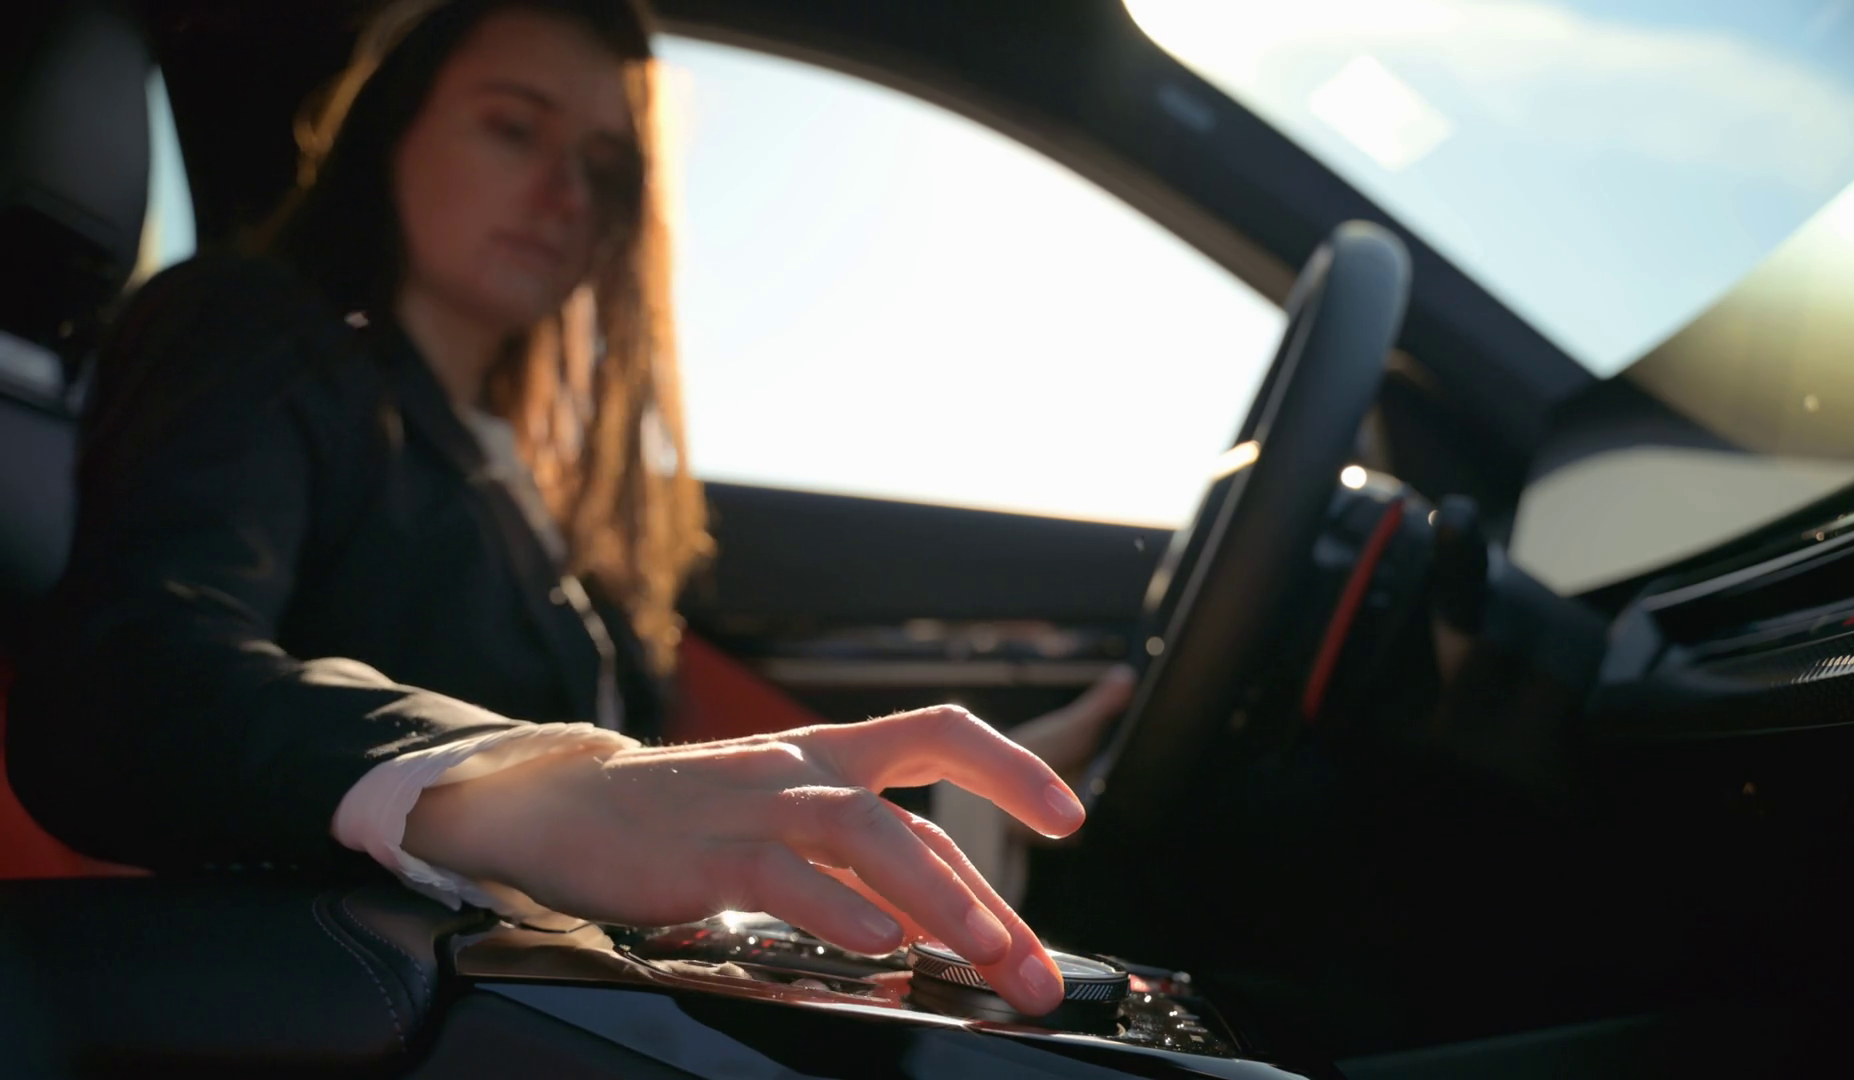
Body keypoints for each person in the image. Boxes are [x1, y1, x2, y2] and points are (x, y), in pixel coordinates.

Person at [4, 0, 1133, 1017]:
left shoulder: (542, 479)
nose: (564, 195)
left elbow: (661, 811)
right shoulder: (257, 330)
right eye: (513, 128)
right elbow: (132, 676)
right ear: (392, 130)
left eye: (605, 166)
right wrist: (496, 790)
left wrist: (973, 810)